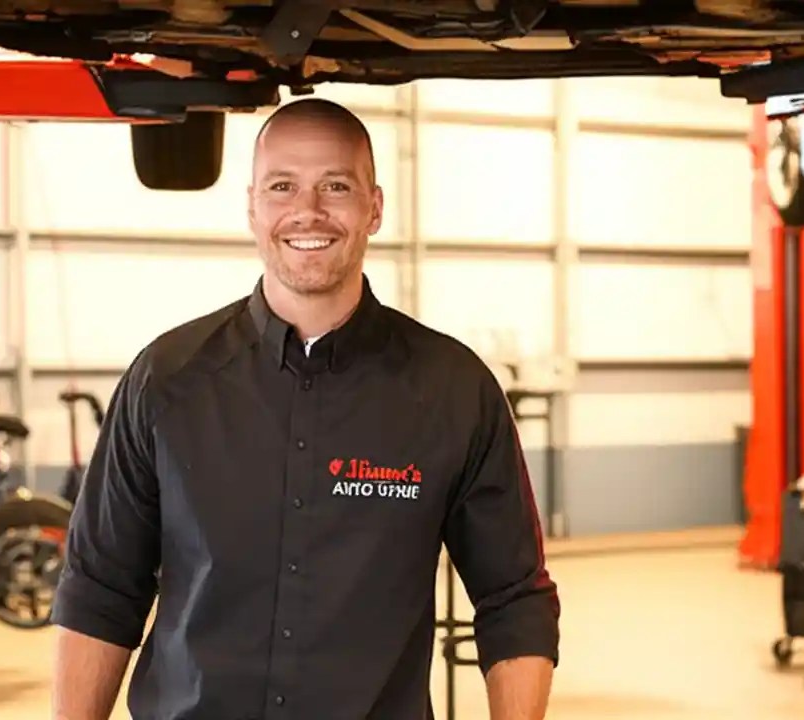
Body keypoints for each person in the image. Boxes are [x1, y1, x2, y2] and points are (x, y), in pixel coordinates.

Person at [50, 97, 560, 720]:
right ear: (252, 207)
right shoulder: (165, 380)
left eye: (335, 186)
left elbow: (514, 602)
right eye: (282, 185)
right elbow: (100, 590)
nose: (307, 211)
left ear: (374, 206)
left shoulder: (454, 390)